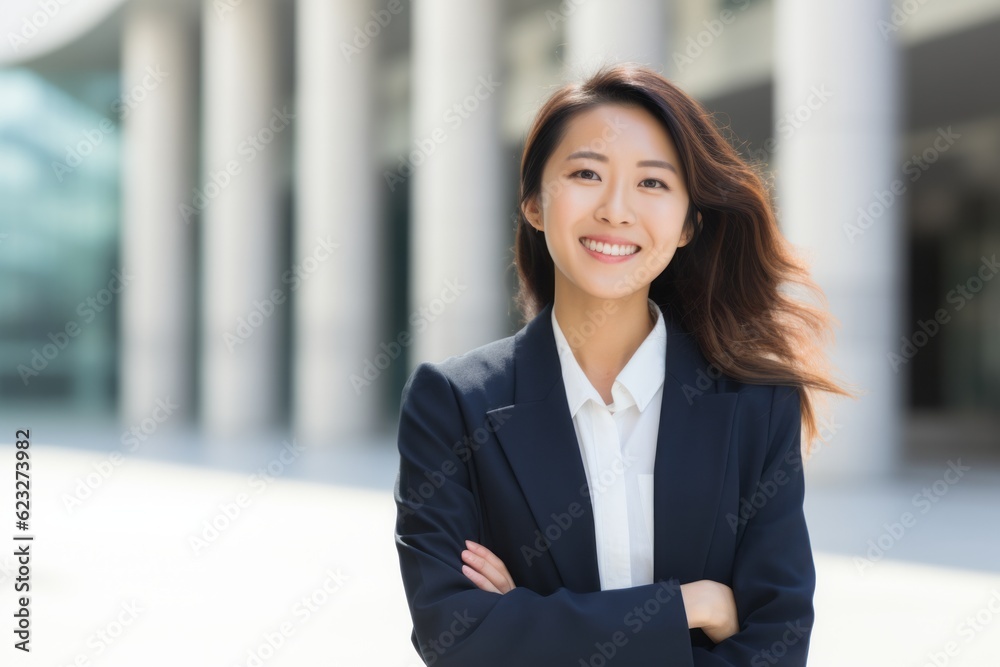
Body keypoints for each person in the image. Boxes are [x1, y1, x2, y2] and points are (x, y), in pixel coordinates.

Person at [393, 62, 854, 666]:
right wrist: (690, 608)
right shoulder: (453, 404)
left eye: (652, 184)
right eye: (586, 173)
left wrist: (525, 622)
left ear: (688, 223)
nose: (616, 210)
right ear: (533, 203)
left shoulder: (756, 404)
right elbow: (453, 636)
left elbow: (777, 644)